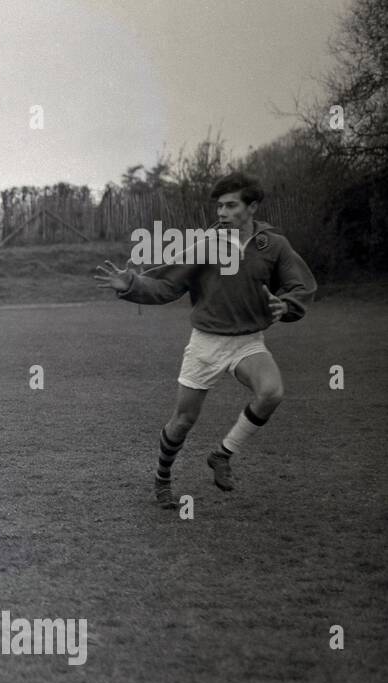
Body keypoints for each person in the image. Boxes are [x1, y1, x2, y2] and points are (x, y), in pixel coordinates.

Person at [93, 172, 316, 508]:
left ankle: (222, 454)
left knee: (272, 392)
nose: (221, 213)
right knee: (183, 421)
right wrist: (132, 285)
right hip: (207, 343)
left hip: (248, 341)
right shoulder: (207, 245)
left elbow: (301, 286)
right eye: (219, 207)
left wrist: (287, 305)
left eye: (230, 205)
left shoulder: (274, 246)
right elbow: (168, 284)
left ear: (252, 206)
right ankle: (162, 479)